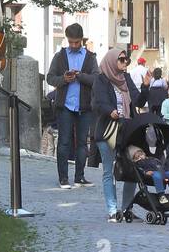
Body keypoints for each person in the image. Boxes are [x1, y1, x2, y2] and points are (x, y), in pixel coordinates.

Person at [92, 47, 147, 222]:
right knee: (109, 171)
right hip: (108, 130)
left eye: (126, 60)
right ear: (112, 60)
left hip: (126, 130)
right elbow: (99, 102)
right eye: (121, 59)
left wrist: (145, 87)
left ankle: (127, 209)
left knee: (132, 170)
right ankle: (113, 210)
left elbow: (138, 101)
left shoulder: (126, 78)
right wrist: (111, 111)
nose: (125, 63)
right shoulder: (101, 80)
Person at [45, 23, 98, 189]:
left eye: (76, 42)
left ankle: (79, 177)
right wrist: (64, 79)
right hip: (65, 106)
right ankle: (63, 178)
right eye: (71, 42)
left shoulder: (90, 57)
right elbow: (50, 78)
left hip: (84, 106)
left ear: (82, 40)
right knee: (64, 142)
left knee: (82, 143)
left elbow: (96, 79)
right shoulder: (60, 56)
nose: (74, 45)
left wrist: (80, 76)